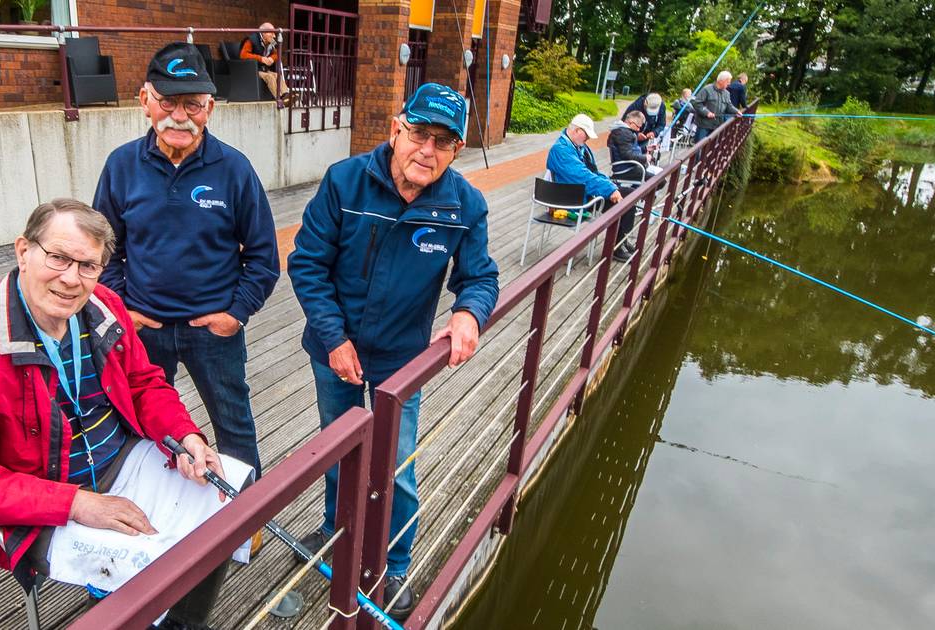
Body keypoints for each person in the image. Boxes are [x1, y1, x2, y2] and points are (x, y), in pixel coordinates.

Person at [0, 199, 234, 629]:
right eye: (58, 257)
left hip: (118, 461)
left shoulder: (104, 304)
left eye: (88, 265)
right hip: (37, 497)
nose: (71, 279)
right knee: (147, 566)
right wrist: (76, 503)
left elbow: (143, 384)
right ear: (23, 251)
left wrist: (185, 436)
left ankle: (181, 623)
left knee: (222, 503)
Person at [287, 83, 500, 621]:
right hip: (334, 348)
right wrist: (334, 338)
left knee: (397, 466)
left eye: (443, 141)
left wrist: (469, 312)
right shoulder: (344, 181)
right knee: (339, 449)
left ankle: (395, 563)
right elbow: (307, 262)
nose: (428, 150)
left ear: (456, 149)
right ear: (396, 129)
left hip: (402, 361)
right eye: (419, 134)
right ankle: (336, 532)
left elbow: (480, 276)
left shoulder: (465, 204)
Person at [93, 43, 280, 546]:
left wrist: (235, 314)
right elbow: (103, 251)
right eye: (168, 101)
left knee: (233, 423)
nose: (180, 115)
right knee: (142, 425)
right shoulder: (121, 166)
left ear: (210, 108)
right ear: (145, 101)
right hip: (143, 331)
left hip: (212, 332)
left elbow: (264, 257)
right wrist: (125, 311)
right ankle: (157, 517)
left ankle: (245, 522)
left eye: (192, 103)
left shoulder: (235, 169)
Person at [546, 113, 634, 262]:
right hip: (573, 199)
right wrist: (610, 189)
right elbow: (582, 176)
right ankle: (616, 247)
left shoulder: (578, 146)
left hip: (583, 193)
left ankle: (621, 240)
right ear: (577, 130)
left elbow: (592, 172)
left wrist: (610, 185)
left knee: (629, 195)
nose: (587, 139)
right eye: (586, 135)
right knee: (624, 202)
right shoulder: (560, 150)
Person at [240, 22, 295, 105]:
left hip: (263, 69)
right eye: (272, 33)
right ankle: (279, 99)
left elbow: (277, 53)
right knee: (269, 77)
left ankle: (286, 96)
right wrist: (261, 59)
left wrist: (272, 58)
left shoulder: (272, 41)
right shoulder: (251, 40)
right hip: (252, 69)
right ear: (264, 33)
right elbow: (243, 55)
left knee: (277, 75)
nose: (274, 36)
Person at [692, 71, 741, 141]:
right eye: (728, 81)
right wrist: (707, 112)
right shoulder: (706, 89)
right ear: (721, 81)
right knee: (700, 146)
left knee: (712, 147)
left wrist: (736, 111)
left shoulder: (727, 93)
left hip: (717, 127)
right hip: (704, 126)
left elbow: (729, 106)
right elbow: (697, 103)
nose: (729, 84)